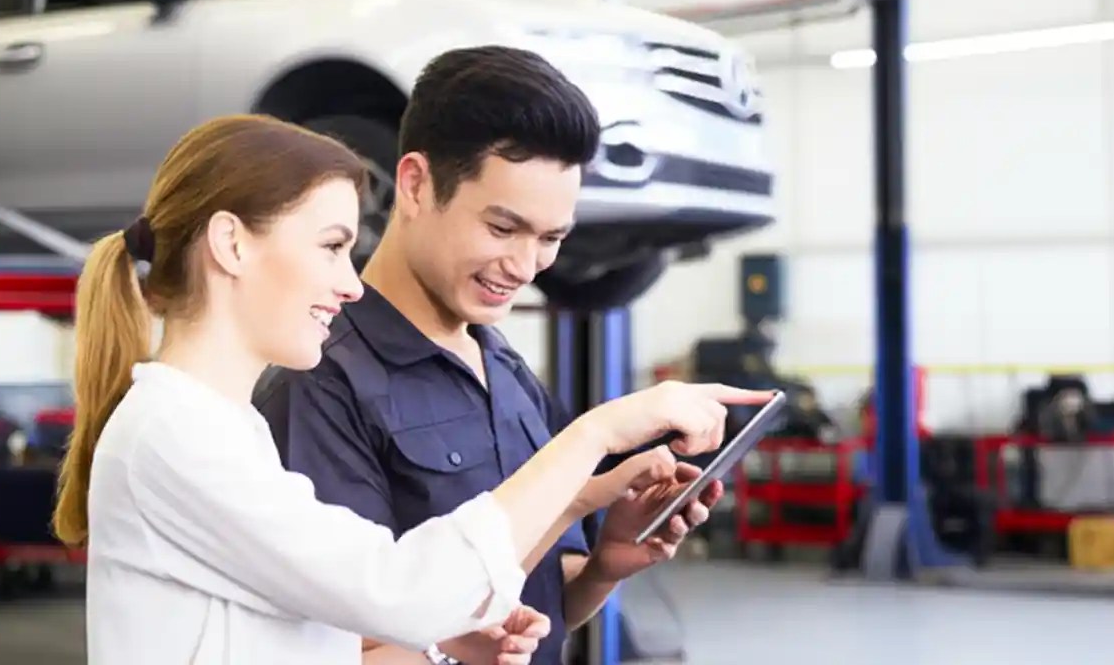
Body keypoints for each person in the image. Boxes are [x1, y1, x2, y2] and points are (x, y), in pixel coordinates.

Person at [51, 112, 763, 665]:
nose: (349, 281)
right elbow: (399, 587)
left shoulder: (222, 428)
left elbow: (285, 622)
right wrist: (598, 435)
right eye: (331, 246)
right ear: (232, 244)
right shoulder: (176, 434)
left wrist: (439, 642)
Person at [253, 46, 774, 665]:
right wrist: (596, 434)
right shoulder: (321, 381)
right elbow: (338, 651)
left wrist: (603, 568)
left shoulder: (505, 371)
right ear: (416, 184)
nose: (525, 267)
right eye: (502, 229)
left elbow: (537, 611)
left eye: (550, 238)